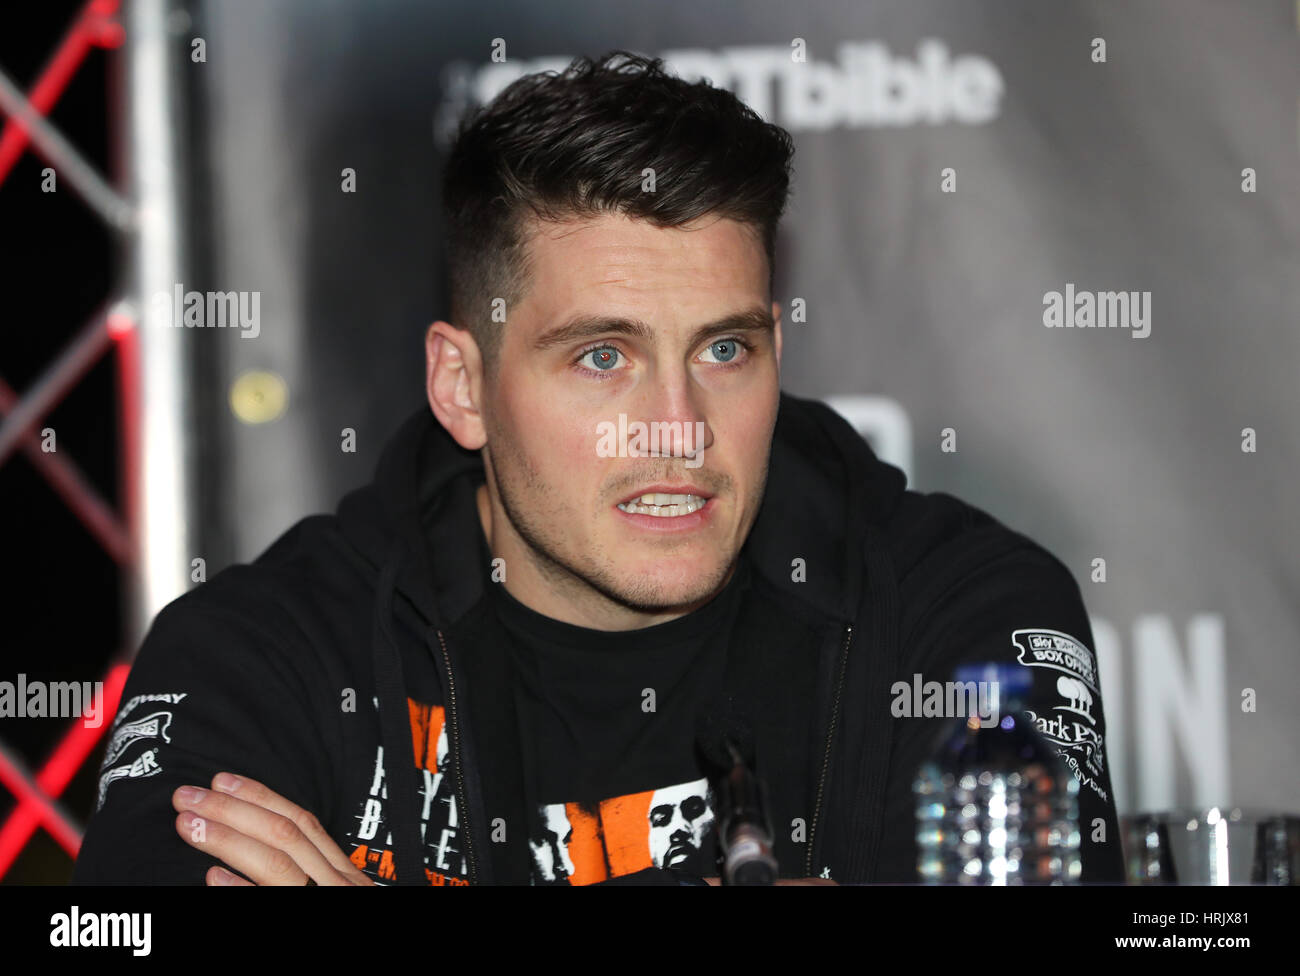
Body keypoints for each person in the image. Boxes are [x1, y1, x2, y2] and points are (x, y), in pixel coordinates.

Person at [73, 50, 1125, 886]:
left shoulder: (965, 612)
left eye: (723, 349)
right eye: (601, 356)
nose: (675, 428)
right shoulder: (271, 650)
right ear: (463, 387)